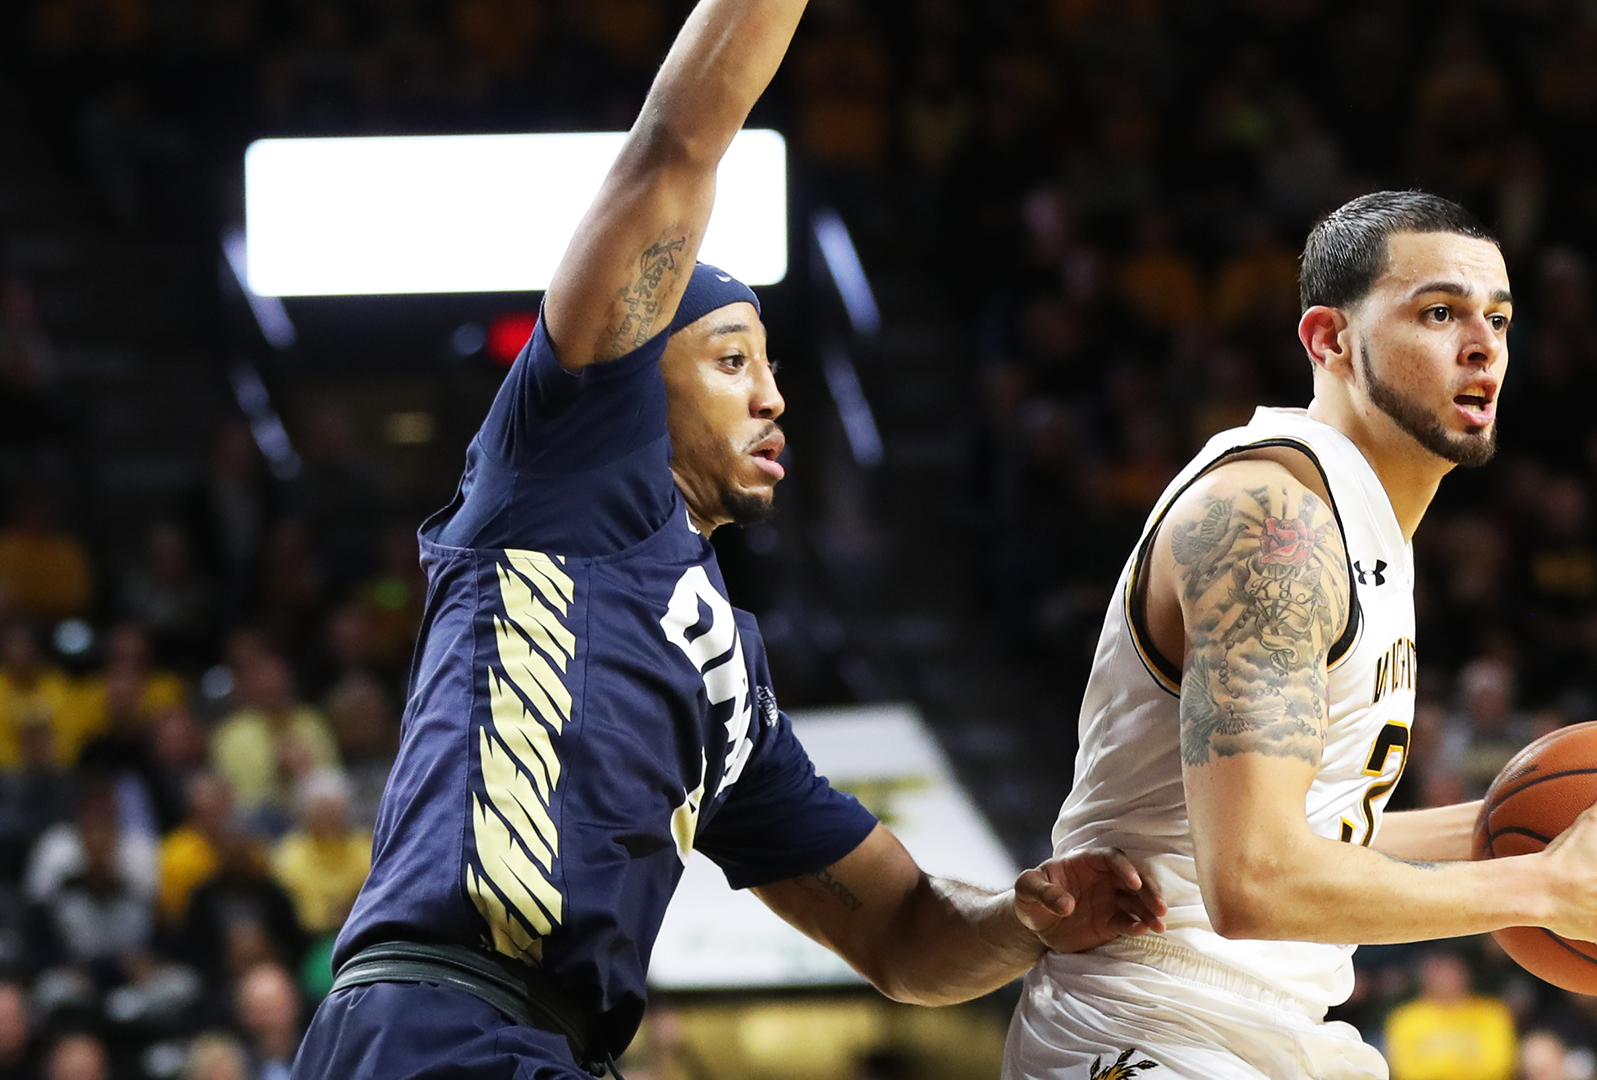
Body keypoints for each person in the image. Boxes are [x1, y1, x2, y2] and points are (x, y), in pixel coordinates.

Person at [290, 1, 1163, 1078]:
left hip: (549, 1047)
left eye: (776, 370)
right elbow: (679, 141)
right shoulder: (567, 469)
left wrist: (1026, 918)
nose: (773, 401)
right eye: (733, 362)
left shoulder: (730, 687)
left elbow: (899, 934)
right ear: (632, 379)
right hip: (440, 1022)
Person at [1001, 192, 1597, 1080]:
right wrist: (1539, 886)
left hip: (1260, 1024)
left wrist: (1533, 830)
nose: (1483, 344)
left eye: (1498, 318)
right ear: (1330, 341)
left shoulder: (1360, 530)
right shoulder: (1273, 522)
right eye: (1438, 312)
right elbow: (1254, 879)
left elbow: (1315, 841)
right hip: (1150, 1023)